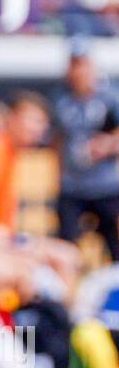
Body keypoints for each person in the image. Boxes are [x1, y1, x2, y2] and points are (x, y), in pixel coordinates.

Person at [53, 47, 119, 261]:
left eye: (83, 65)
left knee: (114, 242)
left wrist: (105, 146)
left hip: (105, 186)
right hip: (72, 186)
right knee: (66, 244)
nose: (79, 72)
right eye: (74, 65)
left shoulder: (110, 98)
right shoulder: (61, 99)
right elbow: (57, 140)